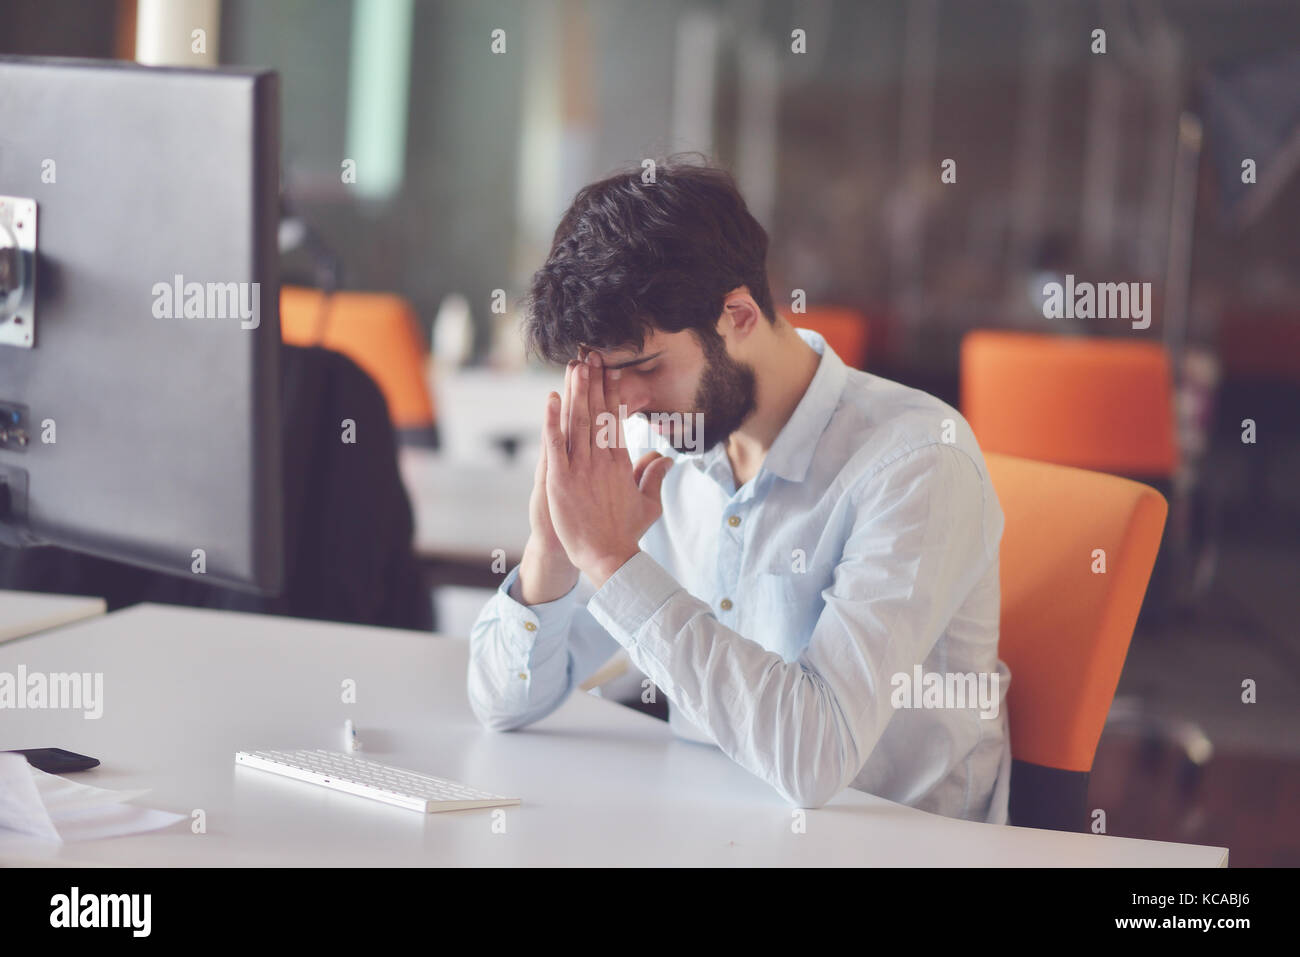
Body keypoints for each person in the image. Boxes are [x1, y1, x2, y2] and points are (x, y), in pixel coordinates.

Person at [466, 158, 1011, 822]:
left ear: (740, 314)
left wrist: (613, 561)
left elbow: (816, 755)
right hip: (712, 826)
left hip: (890, 843)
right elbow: (502, 702)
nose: (628, 404)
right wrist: (553, 550)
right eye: (603, 376)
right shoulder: (657, 440)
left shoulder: (917, 463)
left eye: (642, 365)